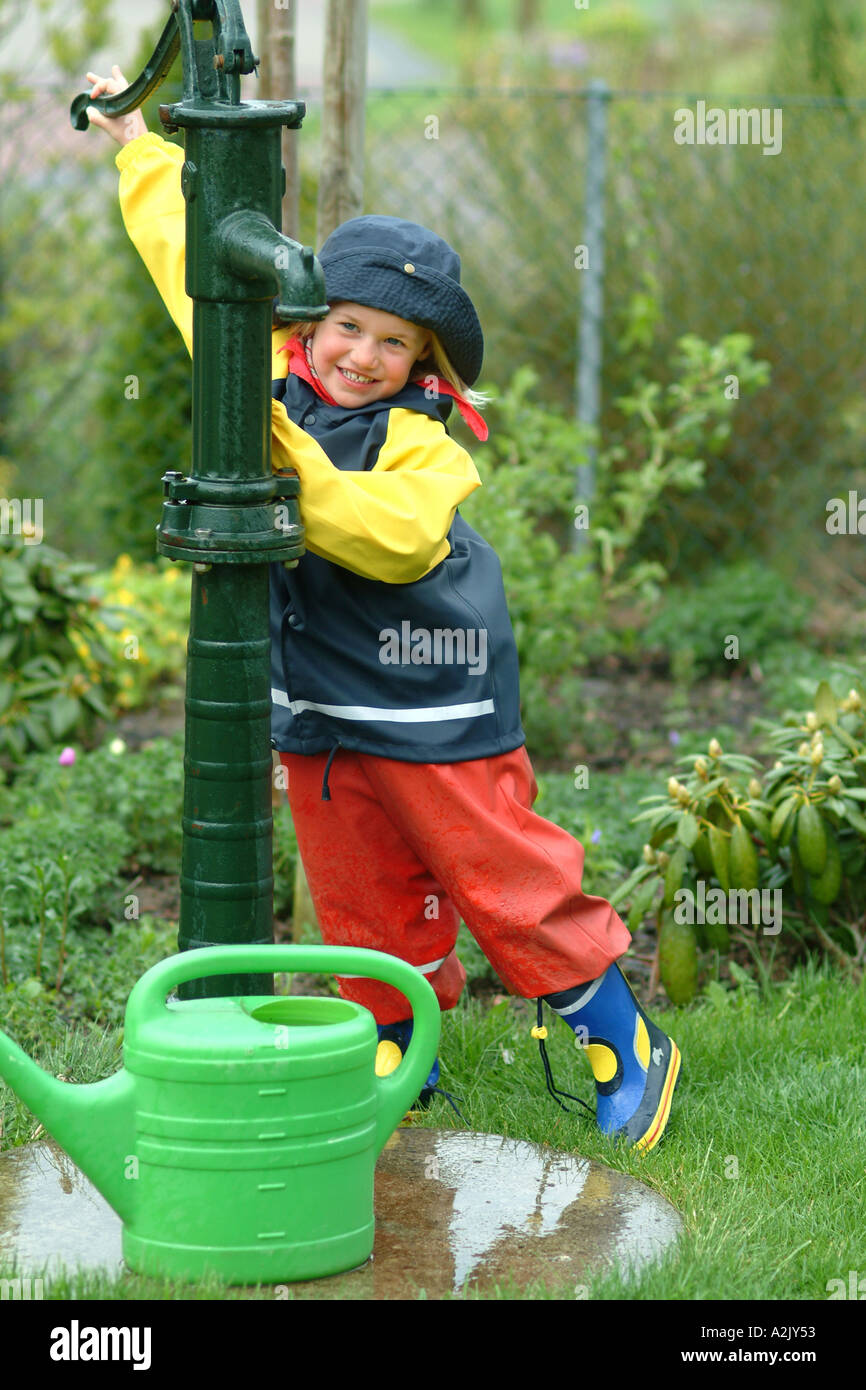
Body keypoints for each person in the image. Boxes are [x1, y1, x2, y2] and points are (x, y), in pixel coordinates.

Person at [86, 68, 681, 1151]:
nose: (363, 355)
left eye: (394, 343)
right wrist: (136, 145)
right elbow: (188, 265)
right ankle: (396, 1061)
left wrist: (277, 451)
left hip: (427, 700)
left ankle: (619, 1033)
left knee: (498, 877)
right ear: (309, 318)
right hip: (313, 700)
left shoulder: (420, 442)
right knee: (359, 890)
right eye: (347, 327)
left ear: (424, 364)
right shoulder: (260, 366)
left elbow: (385, 536)